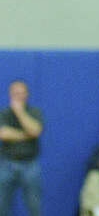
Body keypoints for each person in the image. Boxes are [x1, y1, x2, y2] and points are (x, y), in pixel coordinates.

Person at [0, 80, 42, 216]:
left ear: (27, 95)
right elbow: (3, 134)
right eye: (15, 93)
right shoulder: (4, 113)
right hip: (7, 163)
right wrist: (26, 134)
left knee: (34, 204)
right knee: (2, 203)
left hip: (30, 163)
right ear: (10, 95)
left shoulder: (34, 112)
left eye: (21, 93)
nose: (18, 96)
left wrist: (20, 113)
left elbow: (35, 130)